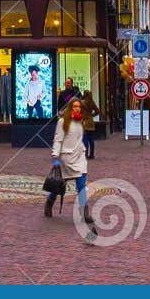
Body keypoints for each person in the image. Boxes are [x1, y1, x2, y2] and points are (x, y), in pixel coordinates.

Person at [49, 96, 96, 239]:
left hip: (80, 157)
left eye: (79, 107)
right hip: (67, 158)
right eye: (75, 106)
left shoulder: (80, 121)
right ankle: (49, 203)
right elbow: (58, 140)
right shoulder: (63, 122)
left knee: (81, 185)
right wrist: (55, 156)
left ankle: (85, 212)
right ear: (70, 107)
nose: (77, 109)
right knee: (59, 186)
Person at [79, 89, 101, 159]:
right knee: (91, 139)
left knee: (85, 139)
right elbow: (98, 111)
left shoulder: (82, 102)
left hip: (84, 121)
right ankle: (91, 154)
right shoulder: (92, 102)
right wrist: (92, 115)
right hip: (91, 121)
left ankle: (85, 154)